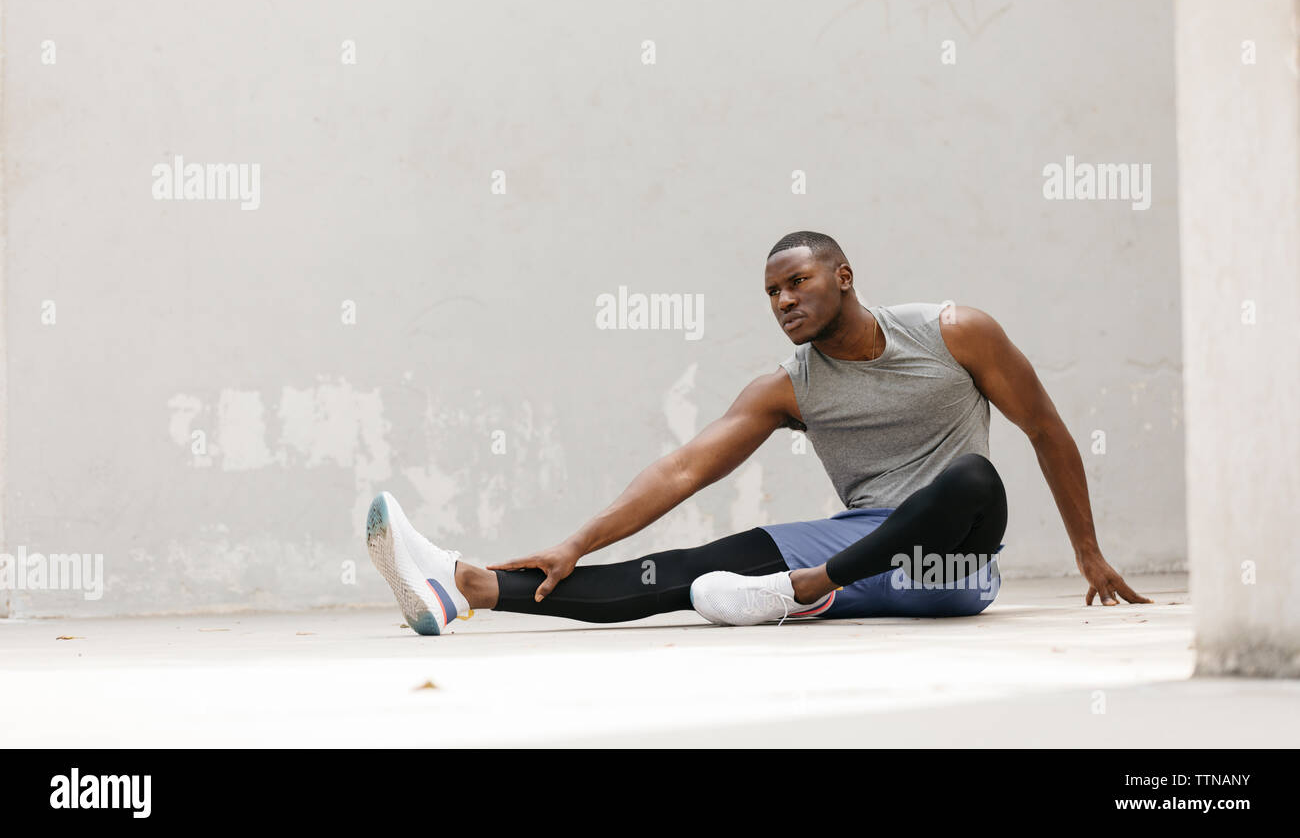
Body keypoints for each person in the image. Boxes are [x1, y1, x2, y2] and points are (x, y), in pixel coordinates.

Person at [364, 230, 1150, 635]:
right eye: (772, 292)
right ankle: (462, 586)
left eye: (797, 282)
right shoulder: (787, 387)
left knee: (975, 481)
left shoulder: (957, 333)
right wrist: (577, 542)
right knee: (687, 569)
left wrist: (1087, 551)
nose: (783, 301)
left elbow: (1045, 429)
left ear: (843, 275)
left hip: (948, 563)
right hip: (857, 549)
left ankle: (807, 592)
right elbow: (682, 473)